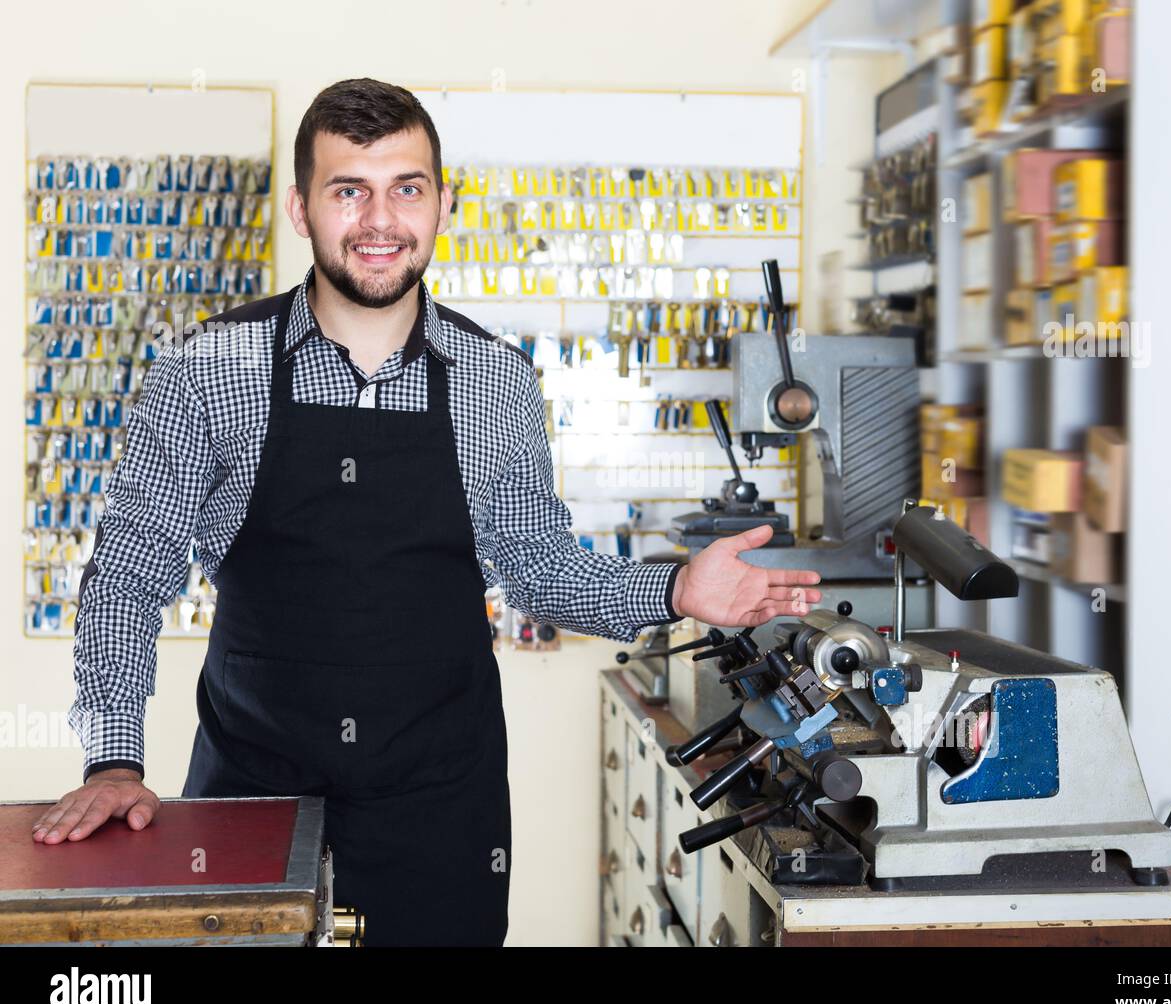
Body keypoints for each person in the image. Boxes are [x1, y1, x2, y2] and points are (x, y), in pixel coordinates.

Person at [31, 78, 822, 946]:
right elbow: (130, 571)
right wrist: (113, 756)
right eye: (349, 190)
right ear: (302, 209)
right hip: (253, 803)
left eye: (406, 188)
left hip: (443, 813)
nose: (380, 220)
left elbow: (539, 569)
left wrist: (674, 592)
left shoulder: (498, 381)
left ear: (442, 203)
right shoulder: (207, 368)